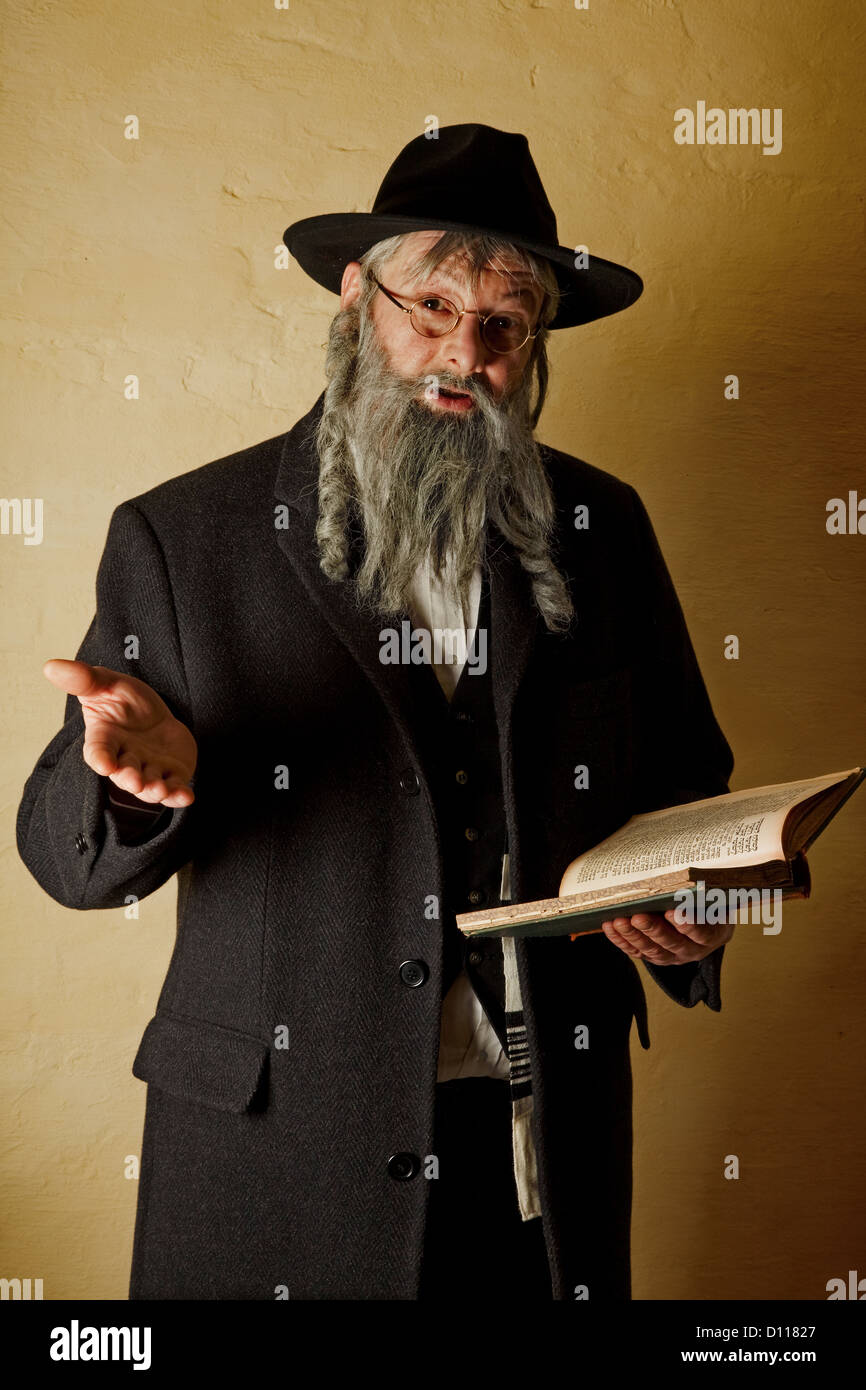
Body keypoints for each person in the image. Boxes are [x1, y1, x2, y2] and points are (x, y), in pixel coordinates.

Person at [17, 123, 734, 1301]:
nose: (464, 351)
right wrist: (121, 784)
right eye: (433, 307)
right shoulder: (184, 534)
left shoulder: (605, 530)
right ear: (357, 300)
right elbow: (67, 859)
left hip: (534, 1152)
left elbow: (687, 794)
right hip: (278, 1158)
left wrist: (700, 913)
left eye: (504, 325)